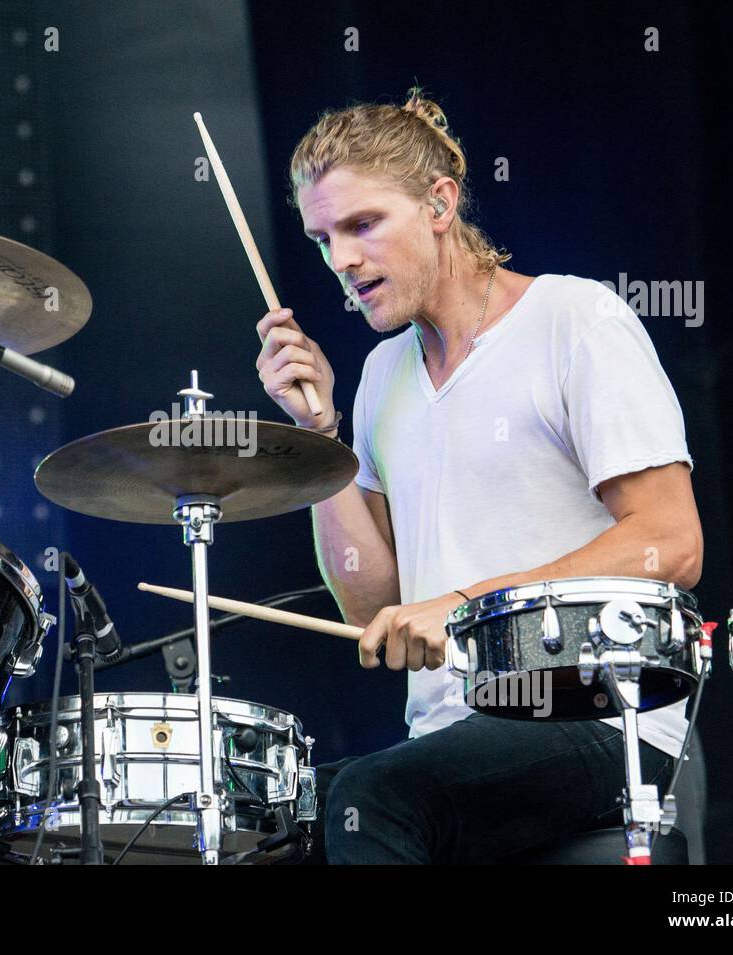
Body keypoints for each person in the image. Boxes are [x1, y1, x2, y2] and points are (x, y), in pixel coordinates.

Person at [255, 88, 704, 864]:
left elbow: (672, 542)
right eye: (323, 237)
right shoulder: (377, 375)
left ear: (440, 202)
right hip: (452, 738)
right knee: (270, 822)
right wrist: (317, 435)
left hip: (597, 714)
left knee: (375, 796)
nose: (341, 260)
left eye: (363, 225)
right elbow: (375, 605)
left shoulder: (574, 320)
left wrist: (466, 605)